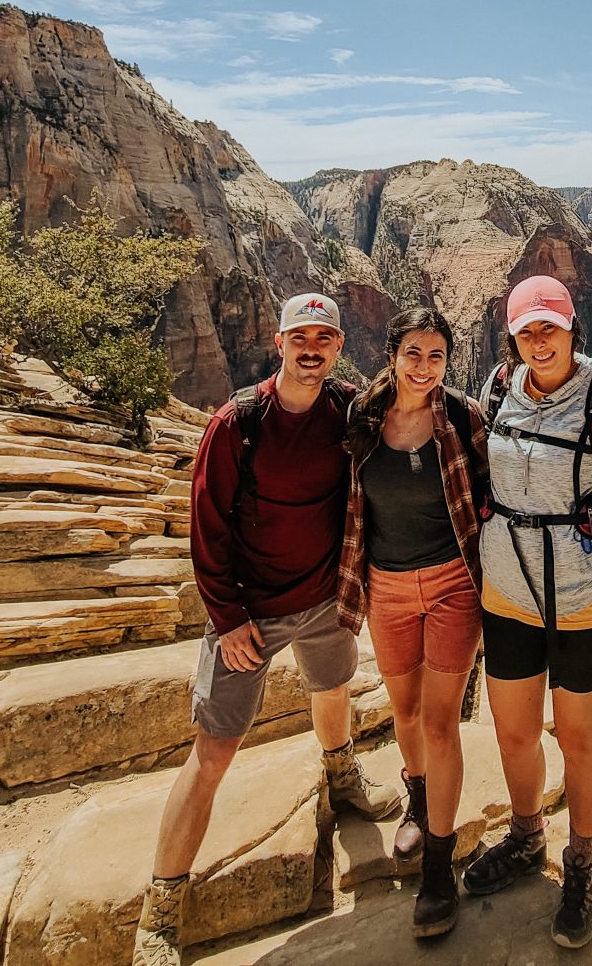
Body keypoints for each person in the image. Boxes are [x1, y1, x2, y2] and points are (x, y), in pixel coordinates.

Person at [133, 293, 401, 966]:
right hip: (250, 612)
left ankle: (341, 775)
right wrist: (226, 619)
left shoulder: (348, 409)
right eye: (299, 337)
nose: (311, 348)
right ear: (279, 343)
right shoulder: (237, 423)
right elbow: (206, 525)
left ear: (338, 346)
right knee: (214, 751)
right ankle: (160, 910)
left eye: (323, 337)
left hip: (326, 598)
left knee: (332, 689)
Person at [460, 275, 592, 950]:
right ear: (511, 337)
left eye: (549, 328)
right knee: (513, 733)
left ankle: (582, 861)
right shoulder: (499, 387)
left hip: (583, 600)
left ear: (572, 329)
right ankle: (527, 832)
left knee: (578, 737)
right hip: (508, 591)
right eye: (526, 331)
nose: (539, 341)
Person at [333, 307, 489, 939]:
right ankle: (418, 799)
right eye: (414, 354)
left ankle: (438, 869)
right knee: (405, 710)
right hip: (386, 589)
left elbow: (493, 493)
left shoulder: (463, 418)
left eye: (437, 356)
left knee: (439, 722)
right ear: (392, 354)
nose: (425, 368)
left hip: (454, 585)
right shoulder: (363, 419)